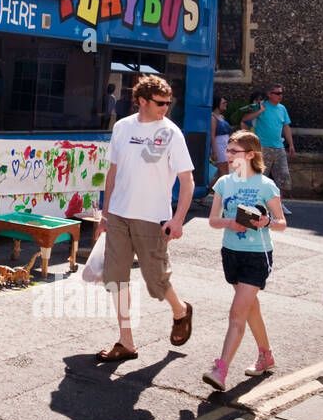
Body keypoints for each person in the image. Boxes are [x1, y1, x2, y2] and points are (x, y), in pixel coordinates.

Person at [95, 74, 196, 362]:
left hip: (153, 218)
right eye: (160, 102)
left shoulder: (172, 133)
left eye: (168, 102)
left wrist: (178, 220)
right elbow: (113, 173)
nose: (166, 107)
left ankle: (181, 310)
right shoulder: (123, 128)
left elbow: (187, 182)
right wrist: (105, 213)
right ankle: (126, 341)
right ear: (141, 100)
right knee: (115, 278)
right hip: (119, 215)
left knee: (156, 282)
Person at [202, 131, 286, 390]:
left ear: (250, 155)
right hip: (231, 253)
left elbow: (282, 223)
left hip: (257, 255)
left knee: (237, 312)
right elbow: (213, 220)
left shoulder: (265, 185)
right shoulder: (224, 183)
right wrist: (231, 222)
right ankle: (266, 355)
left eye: (233, 152)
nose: (228, 156)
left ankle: (220, 369)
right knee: (250, 308)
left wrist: (266, 222)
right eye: (227, 151)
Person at [242, 84, 294, 215]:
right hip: (262, 147)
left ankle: (279, 205)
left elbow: (286, 127)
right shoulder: (260, 105)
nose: (280, 95)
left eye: (281, 93)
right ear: (270, 94)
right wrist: (260, 111)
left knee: (283, 176)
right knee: (260, 176)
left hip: (279, 147)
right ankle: (257, 205)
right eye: (277, 93)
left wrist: (291, 144)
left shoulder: (282, 109)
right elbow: (245, 119)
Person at [210, 94, 231, 168]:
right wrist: (215, 151)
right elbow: (212, 136)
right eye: (223, 103)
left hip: (226, 145)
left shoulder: (222, 117)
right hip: (219, 146)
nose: (226, 104)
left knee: (222, 170)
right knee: (223, 168)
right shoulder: (212, 118)